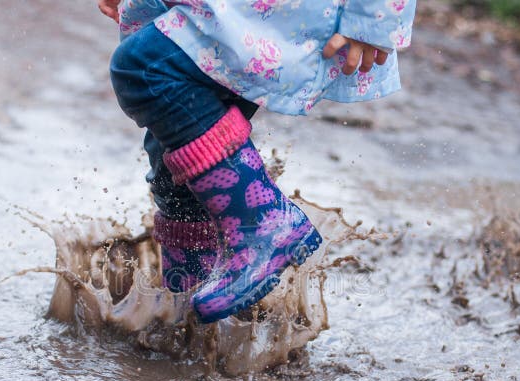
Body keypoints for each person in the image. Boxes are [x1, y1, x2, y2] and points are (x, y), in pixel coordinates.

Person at [100, 0, 416, 323]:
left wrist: (373, 19)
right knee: (175, 133)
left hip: (260, 13)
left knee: (144, 69)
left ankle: (263, 223)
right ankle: (193, 303)